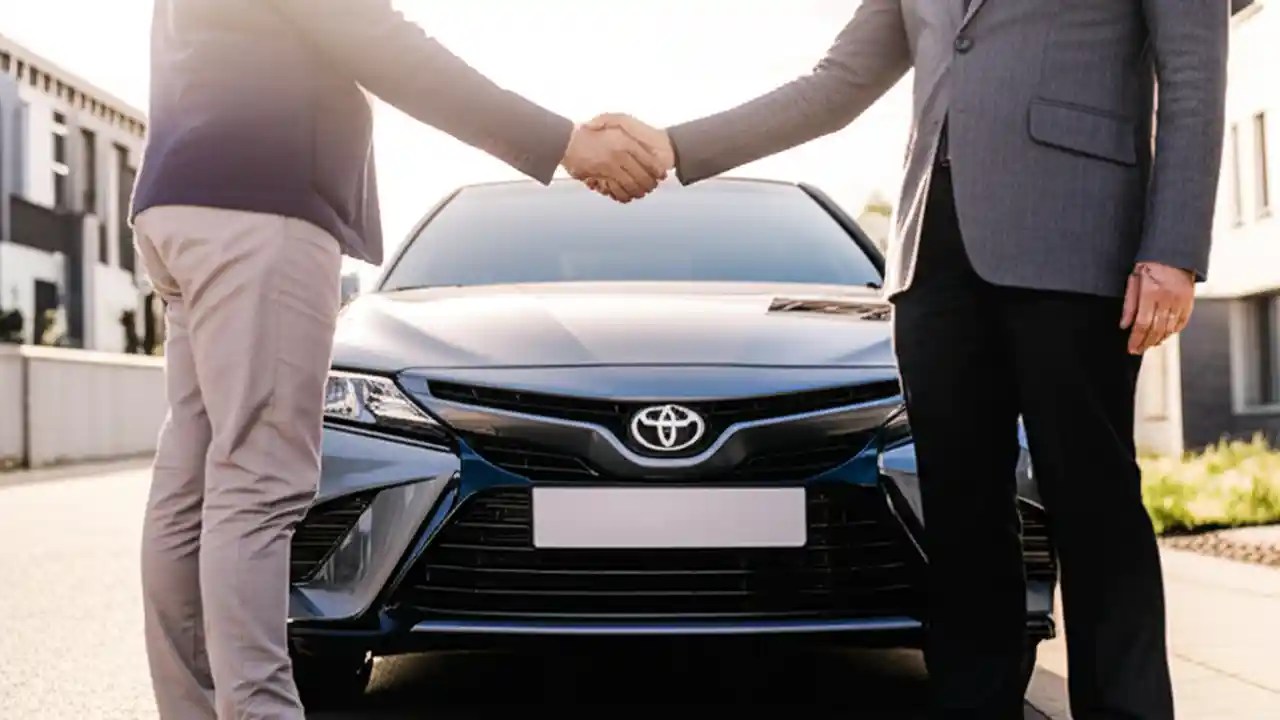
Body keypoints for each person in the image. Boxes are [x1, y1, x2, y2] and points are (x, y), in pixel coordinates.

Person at [589, 2, 1228, 718]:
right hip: (932, 264)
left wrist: (1173, 249)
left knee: (1093, 507)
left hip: (1077, 244)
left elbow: (1195, 72)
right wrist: (675, 146)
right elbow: (837, 84)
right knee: (960, 516)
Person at [129, 1, 665, 718]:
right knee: (259, 484)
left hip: (179, 197)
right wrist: (564, 142)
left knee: (190, 484)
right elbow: (385, 44)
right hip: (262, 205)